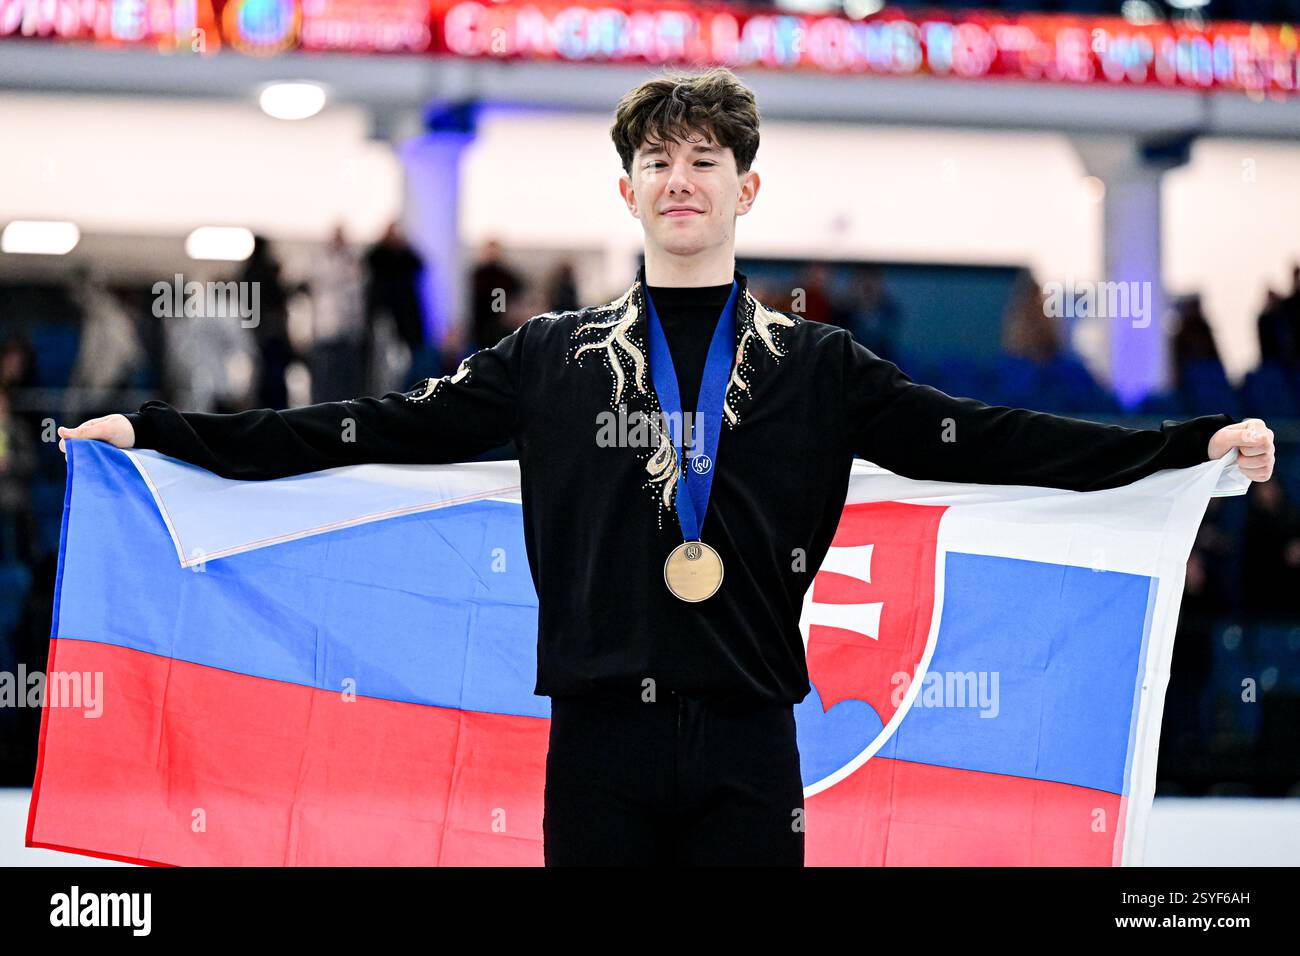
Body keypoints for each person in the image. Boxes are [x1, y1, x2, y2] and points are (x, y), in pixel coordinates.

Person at [58, 67, 1276, 867]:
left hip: (751, 741)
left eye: (703, 160)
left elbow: (997, 438)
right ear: (627, 188)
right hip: (600, 745)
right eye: (657, 160)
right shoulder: (549, 357)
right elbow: (364, 427)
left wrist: (1186, 446)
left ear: (746, 187)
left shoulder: (816, 364)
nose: (680, 179)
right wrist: (161, 434)